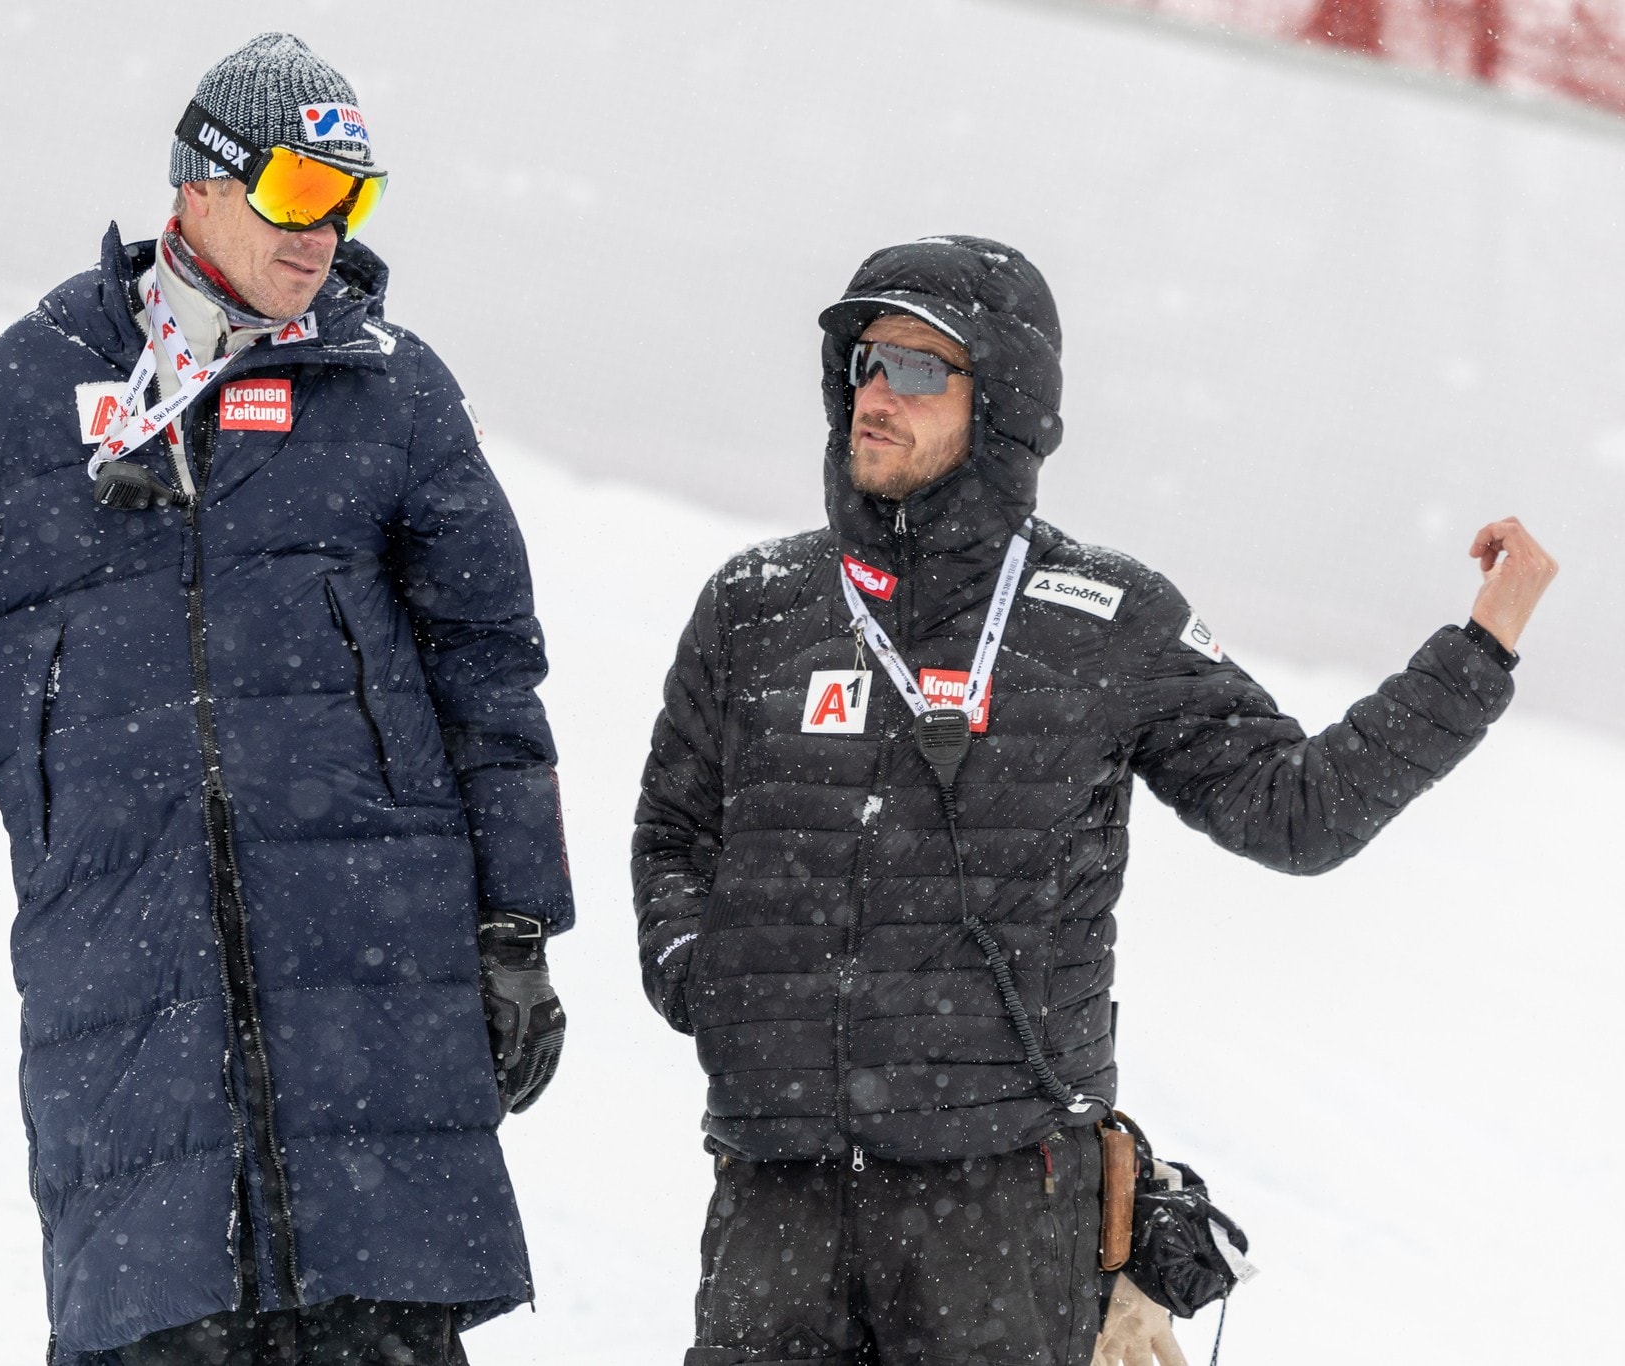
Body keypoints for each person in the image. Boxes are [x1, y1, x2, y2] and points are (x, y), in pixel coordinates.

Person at [632, 236, 1555, 1366]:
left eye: (920, 371)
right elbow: (673, 832)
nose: (876, 395)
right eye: (864, 362)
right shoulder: (753, 604)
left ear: (1003, 402)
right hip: (774, 1187)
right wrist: (701, 978)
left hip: (997, 1204)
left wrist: (1479, 647)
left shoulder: (1103, 617)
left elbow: (1294, 810)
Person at [0, 34, 572, 1366]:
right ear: (200, 185)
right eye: (296, 188)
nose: (324, 229)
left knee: (374, 1318)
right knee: (159, 1318)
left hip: (369, 991)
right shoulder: (14, 410)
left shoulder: (392, 397)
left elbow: (490, 670)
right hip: (127, 1000)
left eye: (355, 196)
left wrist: (515, 923)